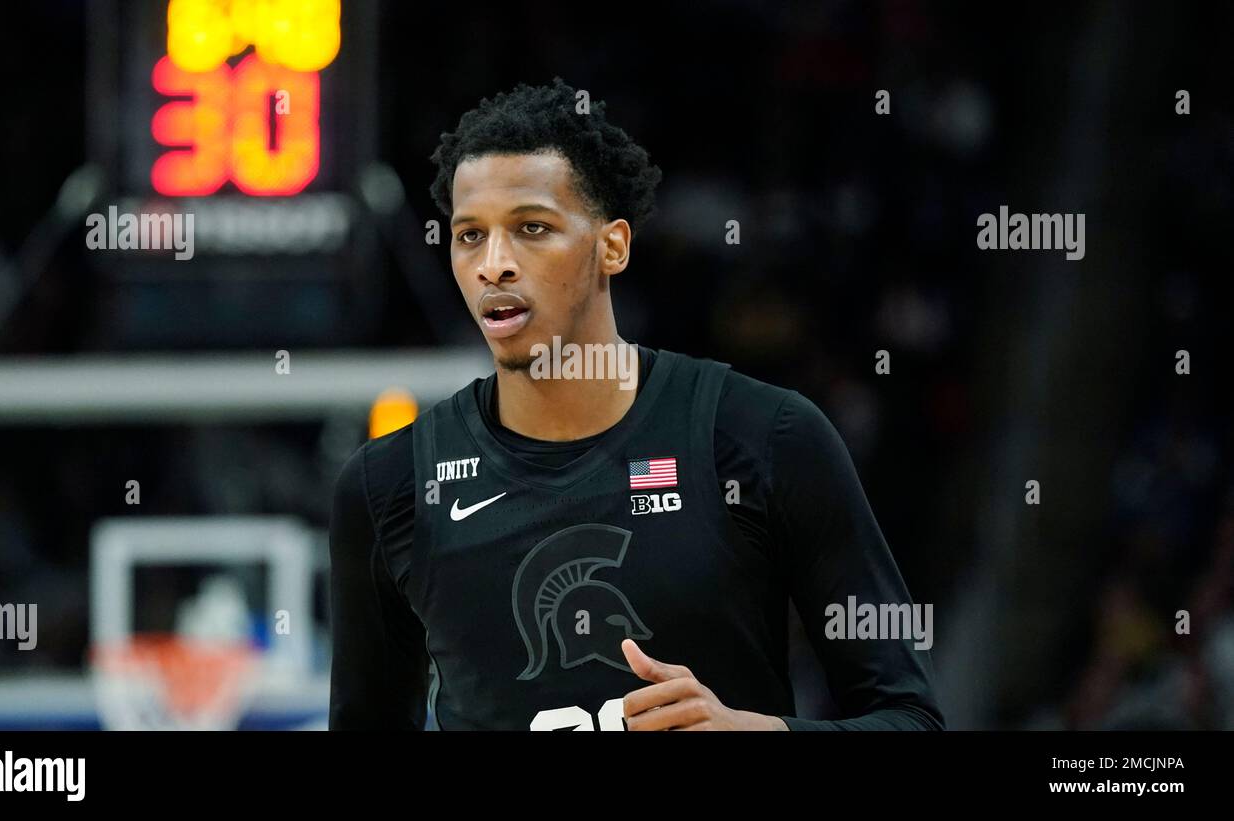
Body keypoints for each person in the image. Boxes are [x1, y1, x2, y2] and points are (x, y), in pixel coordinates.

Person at [329, 77, 943, 730]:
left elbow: (910, 718)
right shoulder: (388, 486)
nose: (495, 264)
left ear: (612, 245)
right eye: (470, 235)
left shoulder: (765, 437)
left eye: (531, 227)